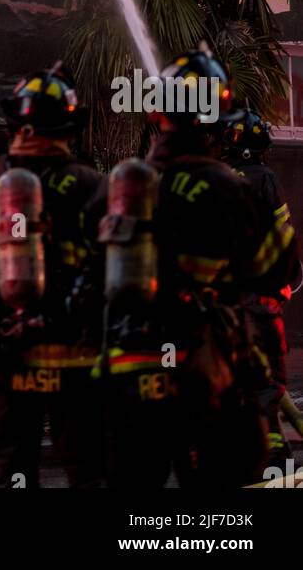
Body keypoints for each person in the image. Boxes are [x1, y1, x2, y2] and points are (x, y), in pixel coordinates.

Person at [98, 47, 298, 489]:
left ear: (156, 114)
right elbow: (274, 269)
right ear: (216, 118)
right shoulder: (228, 187)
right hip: (200, 371)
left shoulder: (121, 184)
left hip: (128, 369)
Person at [0, 66, 104, 488]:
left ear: (13, 123)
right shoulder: (94, 187)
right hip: (81, 366)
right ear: (70, 127)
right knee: (90, 473)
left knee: (10, 474)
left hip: (3, 361)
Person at [215, 107, 301, 465]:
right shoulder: (265, 179)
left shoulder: (217, 178)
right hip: (260, 302)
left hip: (220, 306)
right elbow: (283, 234)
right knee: (267, 383)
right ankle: (276, 463)